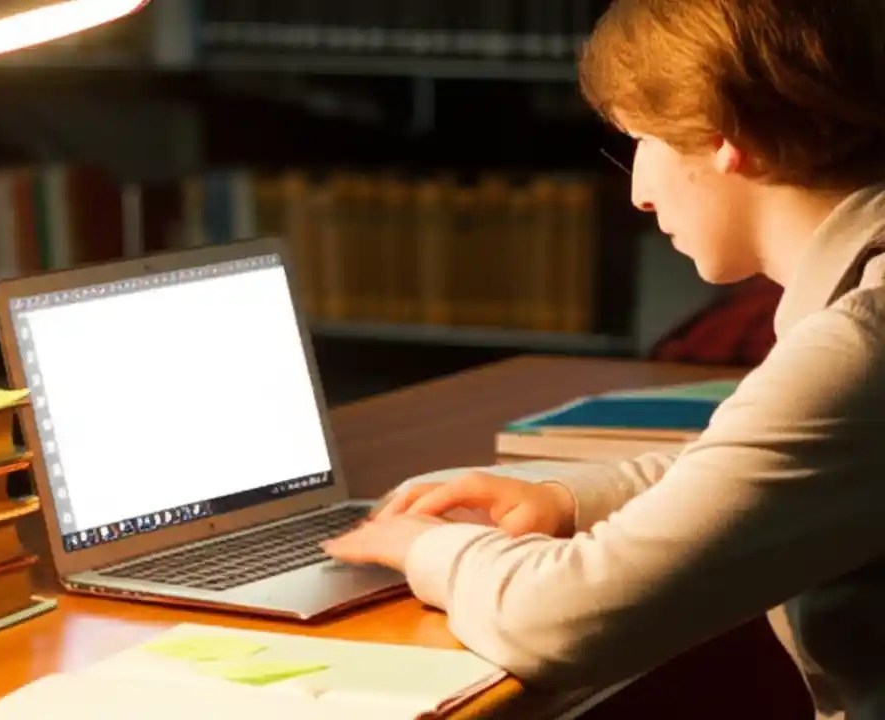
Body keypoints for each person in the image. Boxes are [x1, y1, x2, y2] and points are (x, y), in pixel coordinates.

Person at [321, 1, 885, 718]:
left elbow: (562, 621)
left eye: (641, 138)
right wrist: (567, 501)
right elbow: (772, 462)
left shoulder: (862, 344)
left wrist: (427, 548)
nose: (638, 193)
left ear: (724, 136)